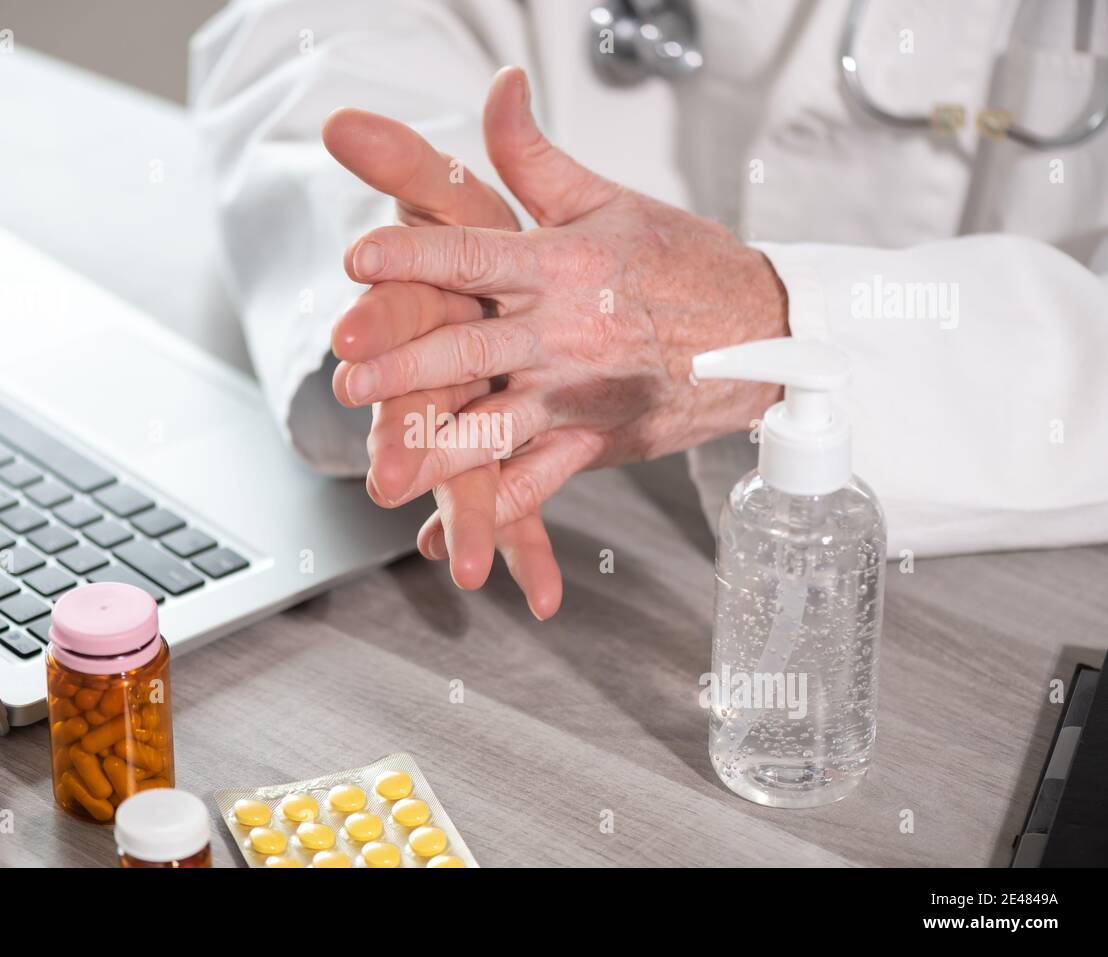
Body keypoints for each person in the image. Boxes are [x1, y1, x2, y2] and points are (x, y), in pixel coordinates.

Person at [189, 0, 1108, 619]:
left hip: (999, 596)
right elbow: (308, 24)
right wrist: (456, 266)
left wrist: (771, 322)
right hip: (605, 510)